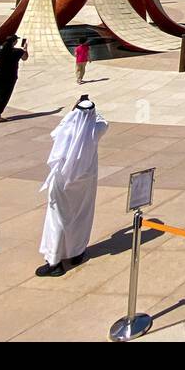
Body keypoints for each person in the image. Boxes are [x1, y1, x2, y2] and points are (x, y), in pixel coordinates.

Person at [37, 95, 108, 277]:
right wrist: (90, 109)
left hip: (63, 179)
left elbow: (57, 130)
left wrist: (73, 109)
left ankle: (55, 261)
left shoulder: (66, 130)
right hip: (85, 179)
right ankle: (76, 252)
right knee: (81, 215)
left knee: (58, 219)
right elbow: (102, 120)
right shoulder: (96, 129)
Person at [0, 36, 28, 122]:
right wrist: (25, 49)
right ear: (14, 42)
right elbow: (25, 58)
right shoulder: (18, 51)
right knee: (5, 96)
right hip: (10, 77)